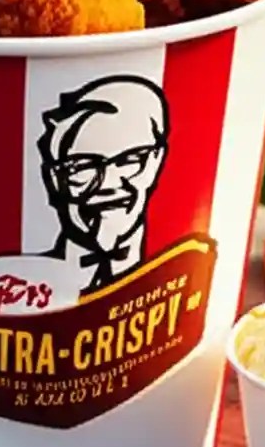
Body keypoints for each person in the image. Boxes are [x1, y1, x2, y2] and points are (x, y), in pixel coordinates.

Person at [37, 75, 170, 295]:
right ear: (53, 178)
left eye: (130, 160)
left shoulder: (176, 265)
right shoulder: (24, 279)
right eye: (82, 166)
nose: (108, 183)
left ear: (156, 162)